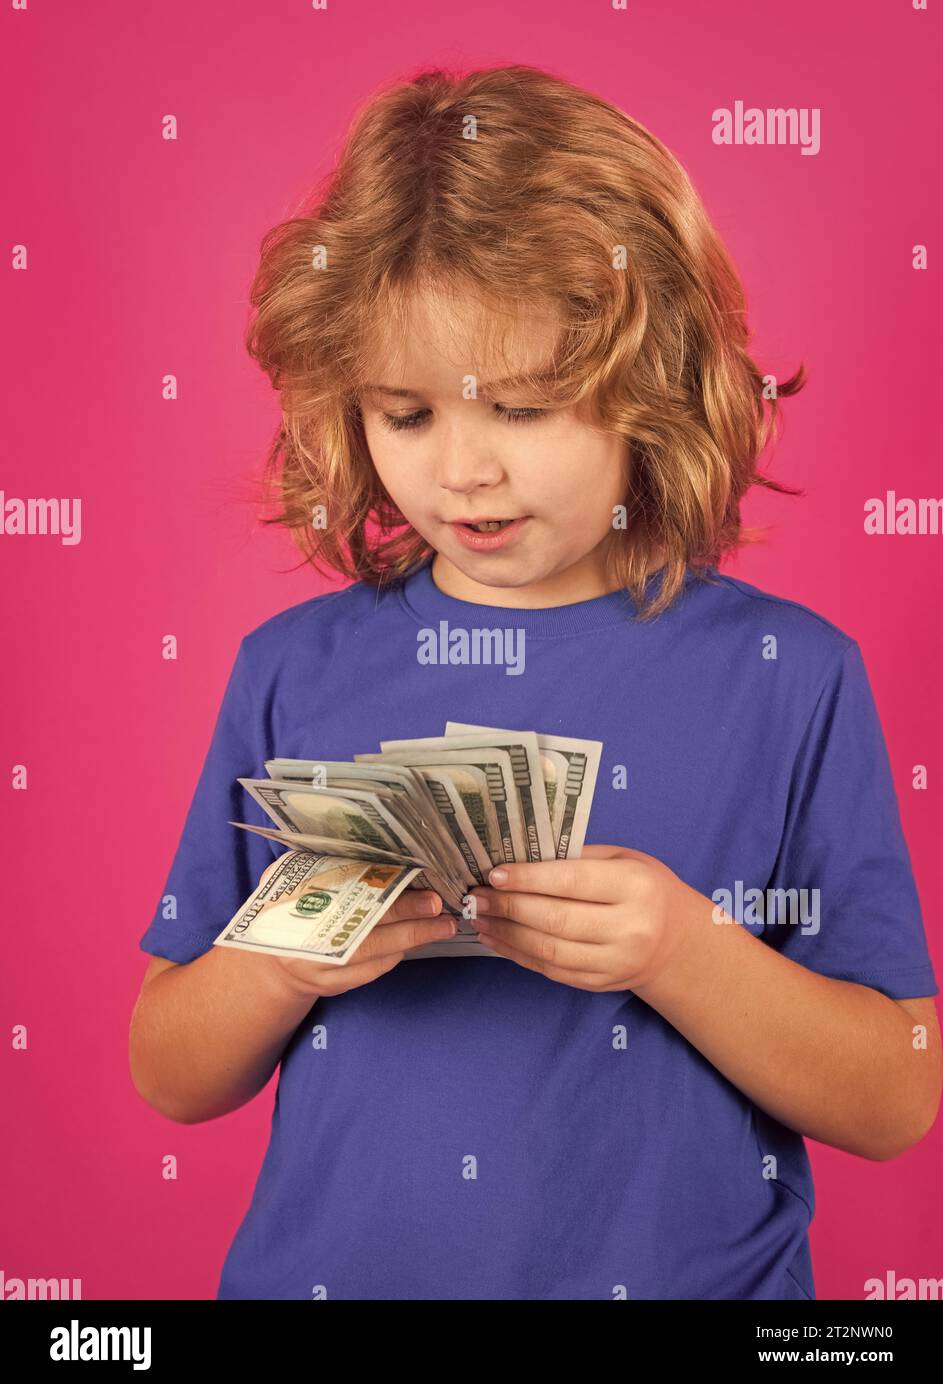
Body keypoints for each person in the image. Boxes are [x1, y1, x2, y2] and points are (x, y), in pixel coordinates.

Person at [128, 65, 941, 1300]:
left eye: (520, 406)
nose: (462, 471)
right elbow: (168, 1069)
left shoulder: (792, 678)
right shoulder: (289, 669)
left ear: (647, 381)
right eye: (406, 415)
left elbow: (896, 1095)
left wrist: (682, 949)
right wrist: (282, 961)